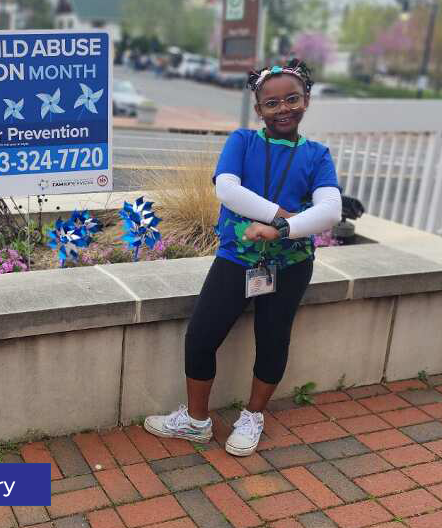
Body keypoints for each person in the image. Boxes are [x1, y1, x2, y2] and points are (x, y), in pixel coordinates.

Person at [143, 58, 343, 457]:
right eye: (272, 103)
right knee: (201, 336)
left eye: (292, 99)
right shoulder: (242, 141)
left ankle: (253, 415)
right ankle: (197, 421)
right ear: (259, 110)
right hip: (237, 258)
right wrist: (282, 215)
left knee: (272, 340)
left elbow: (331, 209)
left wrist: (280, 230)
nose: (283, 108)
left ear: (306, 101)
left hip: (290, 264)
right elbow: (227, 190)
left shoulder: (318, 155)